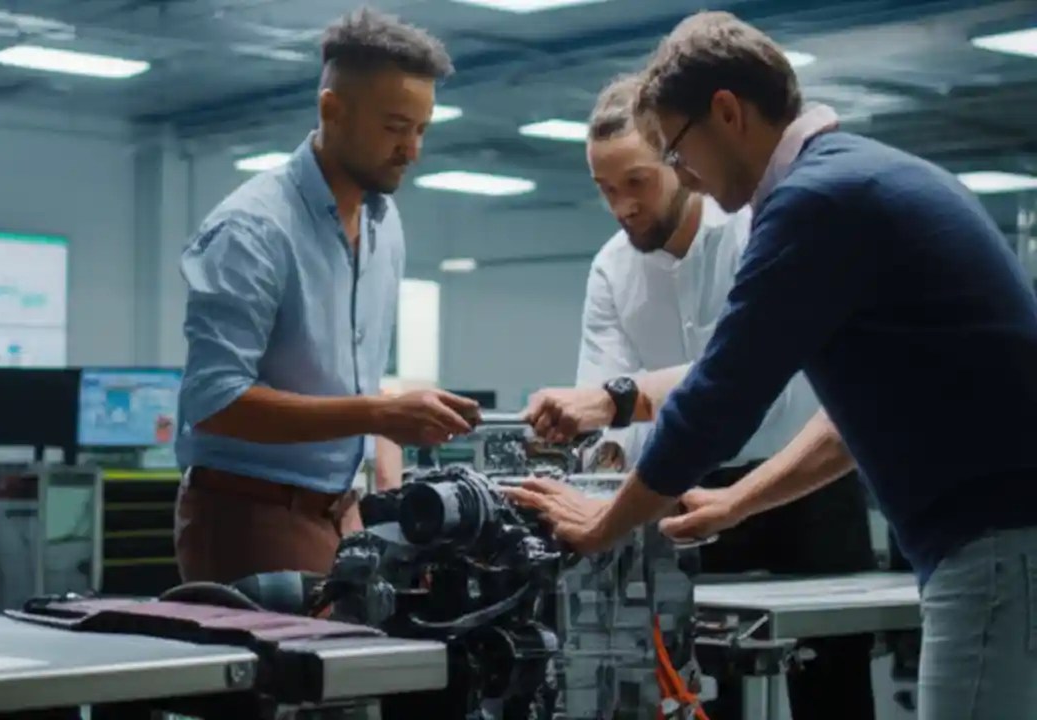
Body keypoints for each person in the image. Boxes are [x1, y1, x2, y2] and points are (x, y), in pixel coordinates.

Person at [508, 11, 1037, 718]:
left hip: (997, 545)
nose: (680, 174)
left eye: (674, 150)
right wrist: (736, 501)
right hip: (1002, 539)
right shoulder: (857, 178)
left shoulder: (812, 204)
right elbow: (851, 425)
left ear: (726, 113)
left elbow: (719, 397)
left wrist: (607, 525)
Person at [573, 73, 875, 720]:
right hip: (695, 491)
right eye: (605, 190)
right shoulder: (611, 269)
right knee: (713, 684)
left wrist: (618, 405)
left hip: (806, 486)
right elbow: (605, 405)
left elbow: (742, 376)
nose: (622, 204)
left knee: (835, 691)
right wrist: (598, 484)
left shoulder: (756, 230)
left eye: (636, 182)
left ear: (676, 161)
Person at [174, 7, 480, 585]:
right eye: (394, 127)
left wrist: (385, 441)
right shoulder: (252, 228)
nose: (411, 150)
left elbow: (344, 380)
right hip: (251, 513)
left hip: (343, 510)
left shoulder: (384, 224)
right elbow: (213, 401)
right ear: (331, 112)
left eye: (421, 129)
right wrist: (381, 413)